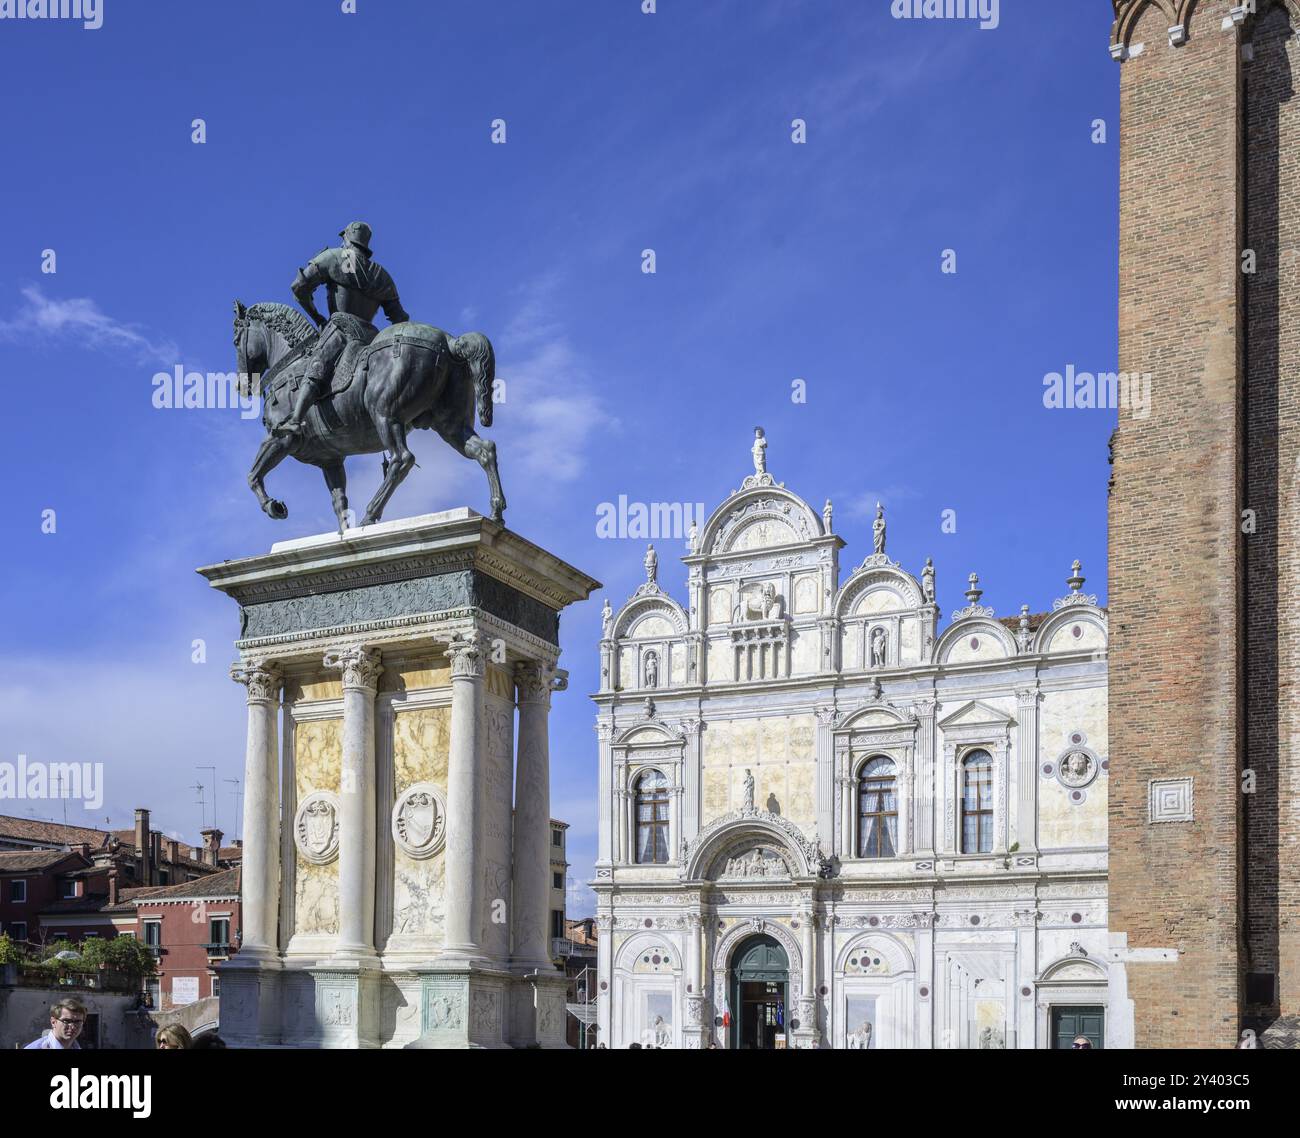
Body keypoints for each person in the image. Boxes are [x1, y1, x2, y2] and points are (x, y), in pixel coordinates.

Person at [279, 221, 410, 436]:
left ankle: (295, 418)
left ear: (347, 238)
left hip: (341, 327)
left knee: (317, 364)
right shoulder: (381, 275)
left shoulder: (334, 255)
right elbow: (400, 318)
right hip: (371, 337)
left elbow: (298, 287)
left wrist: (317, 317)